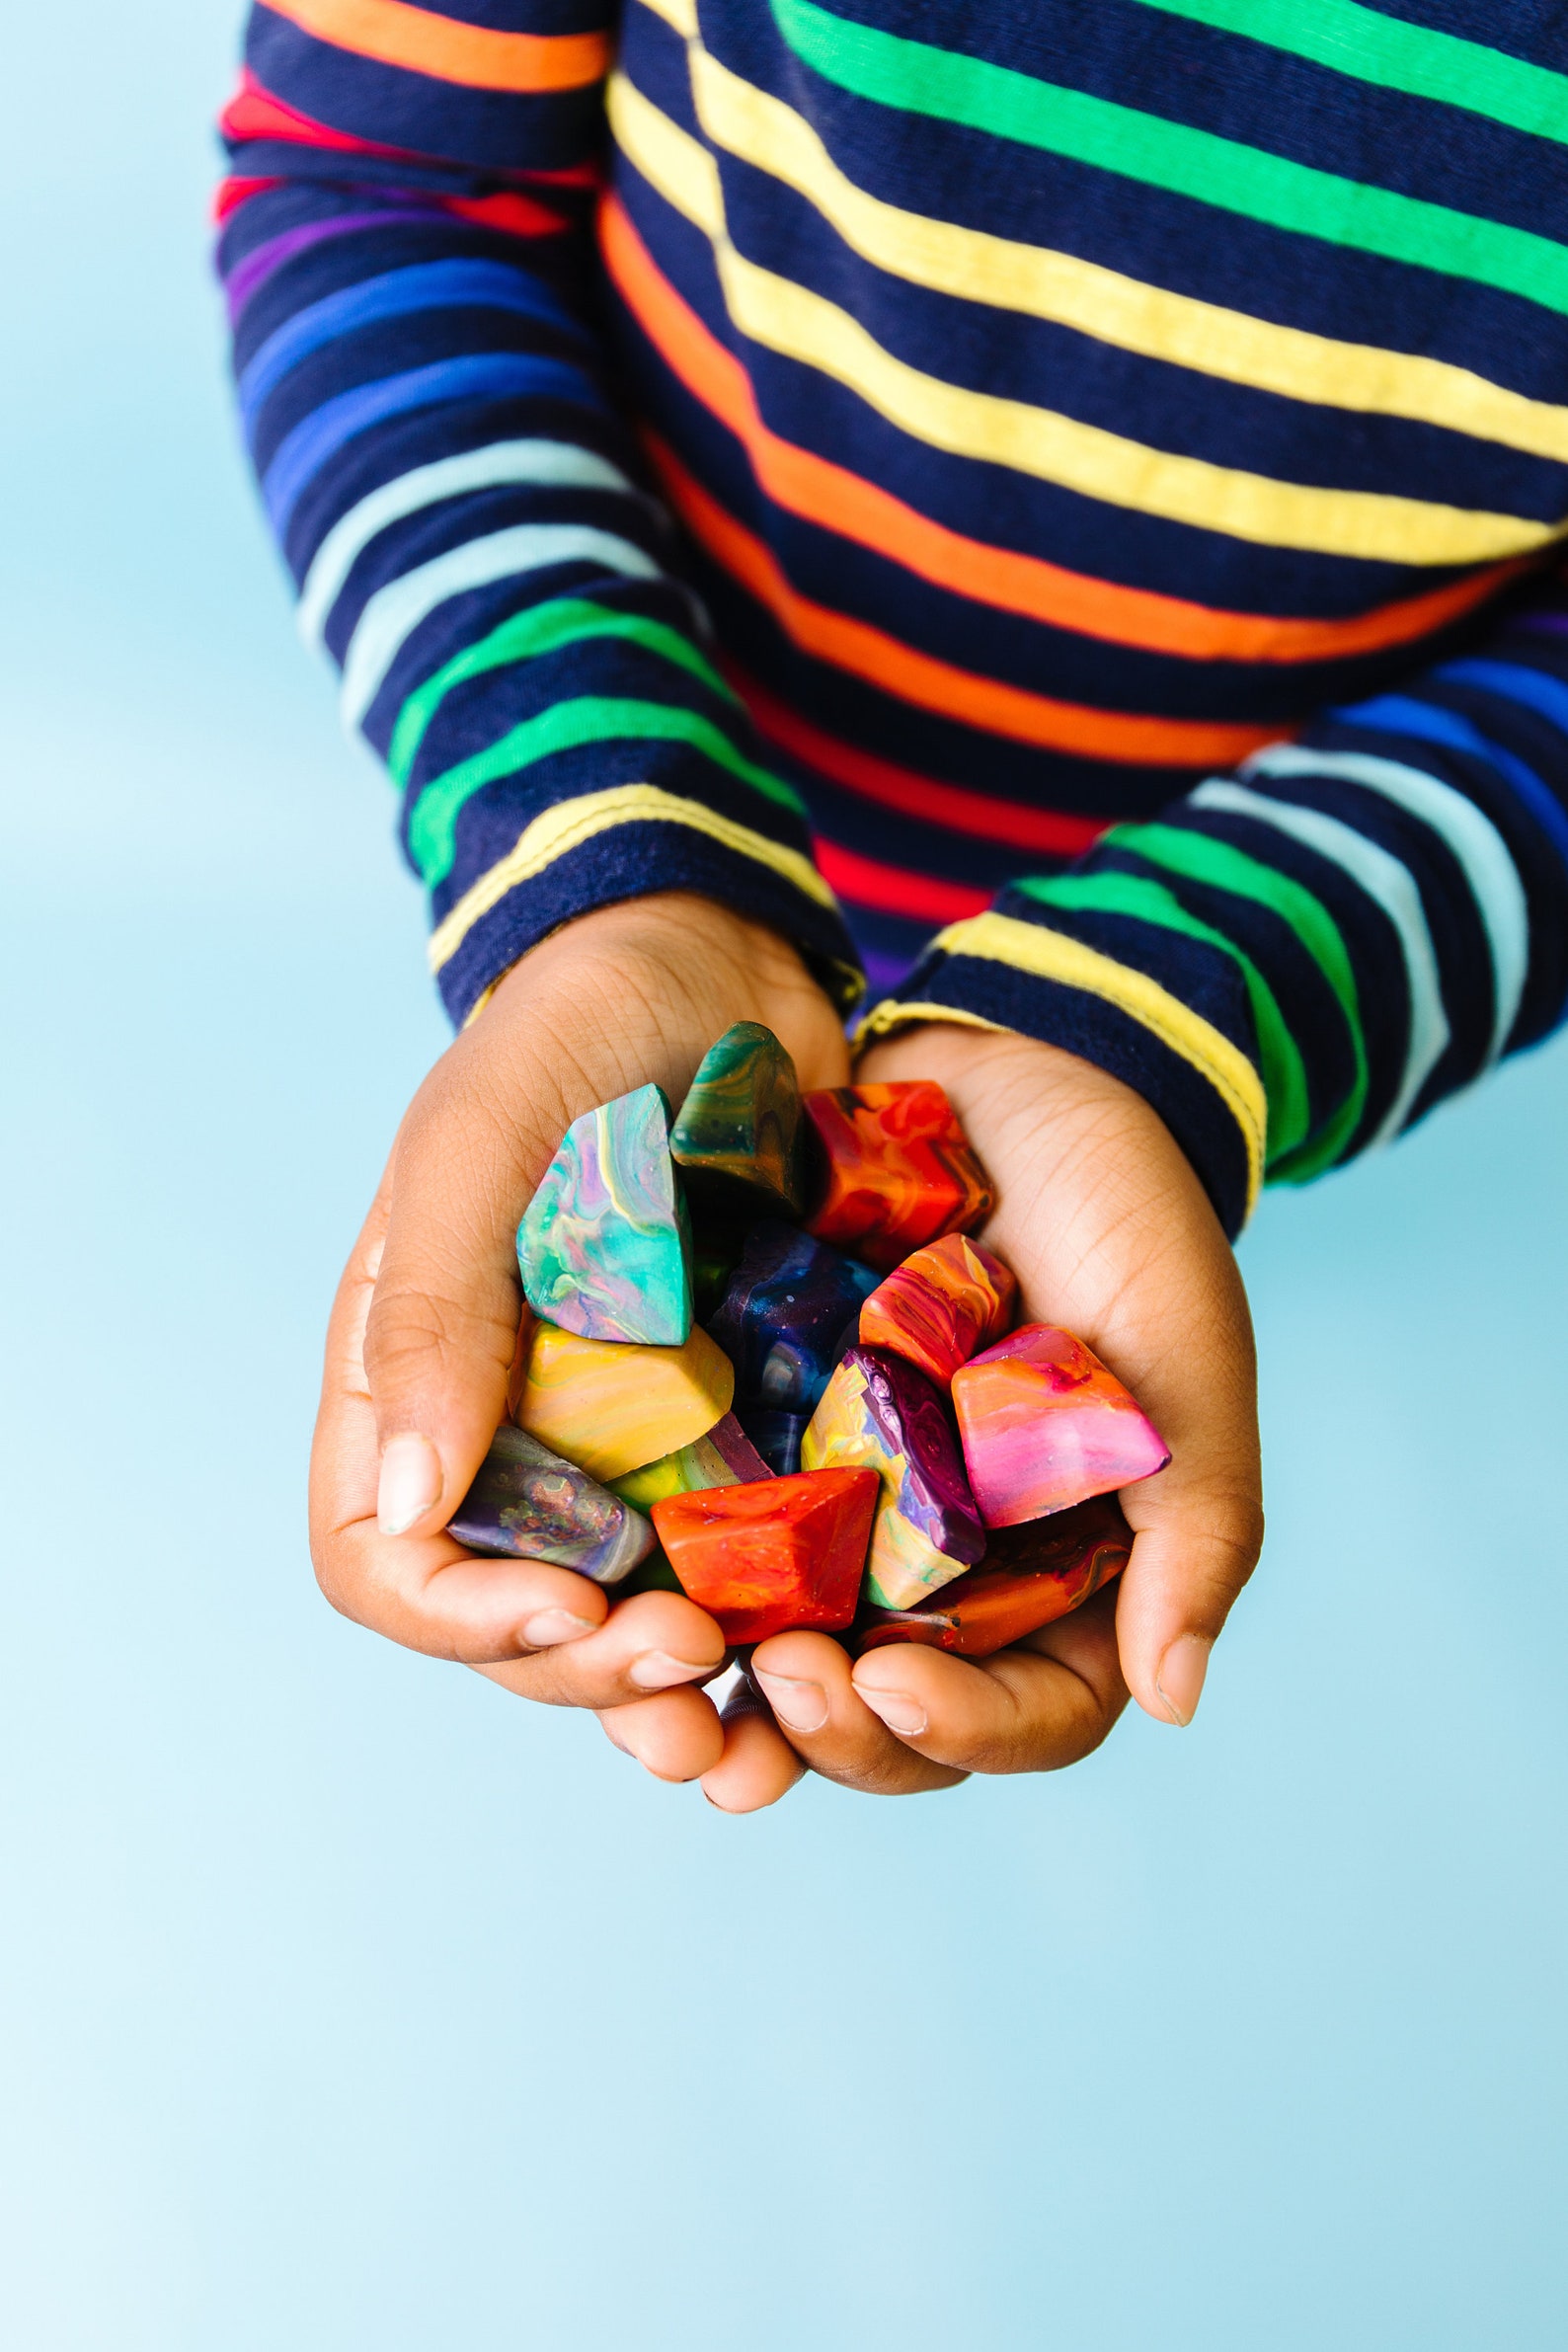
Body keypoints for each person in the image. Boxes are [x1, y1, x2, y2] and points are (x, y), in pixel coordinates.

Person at [218, 0, 1568, 1809]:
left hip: (1248, 913)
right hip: (672, 715)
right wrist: (608, 865)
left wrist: (1177, 1018)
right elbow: (381, 182)